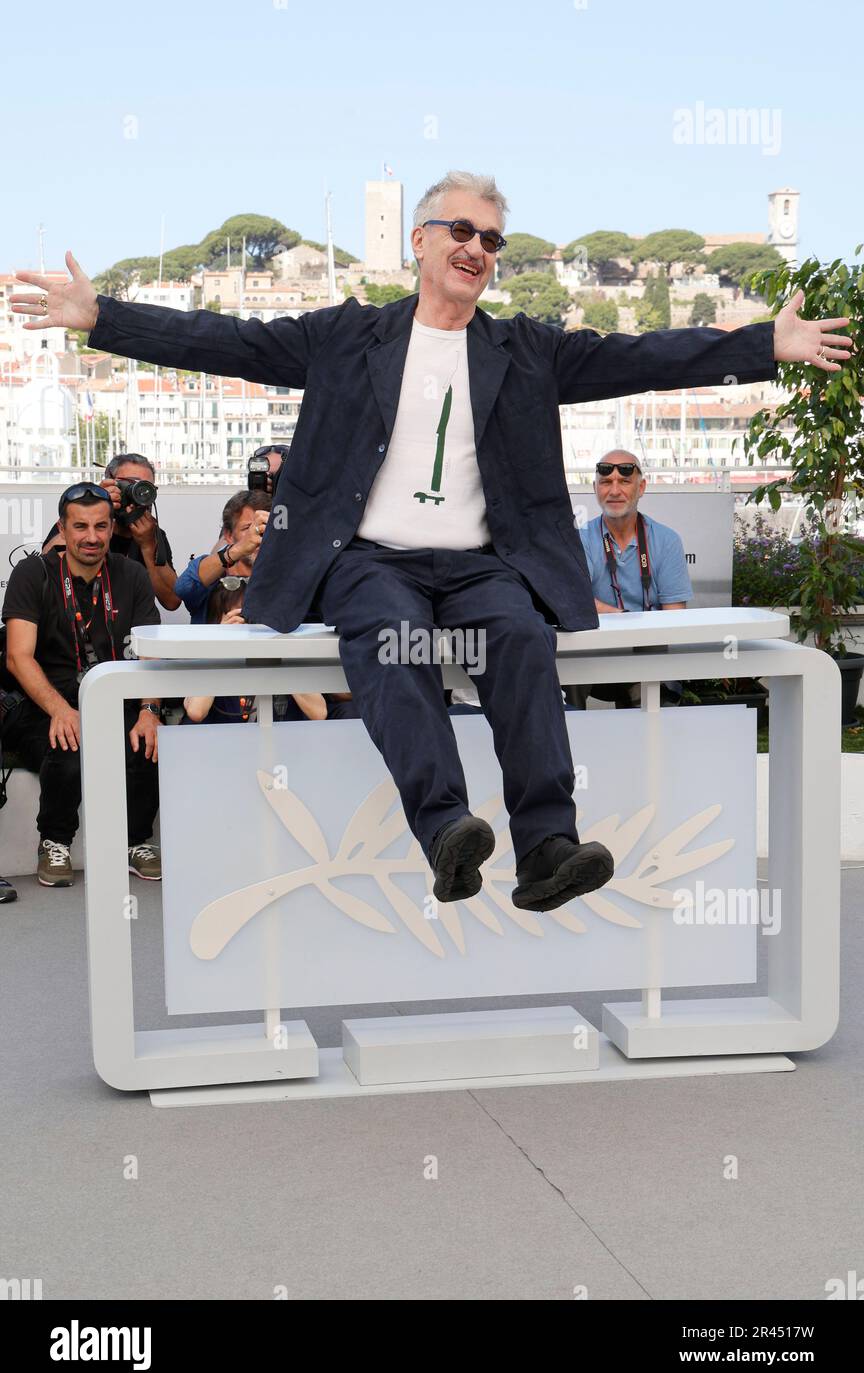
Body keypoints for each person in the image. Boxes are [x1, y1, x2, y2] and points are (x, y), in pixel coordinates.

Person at [14, 171, 852, 911]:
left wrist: (763, 348)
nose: (477, 248)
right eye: (462, 230)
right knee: (384, 638)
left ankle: (548, 847)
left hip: (481, 566)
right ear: (420, 241)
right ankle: (447, 826)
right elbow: (227, 342)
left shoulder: (526, 350)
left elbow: (641, 356)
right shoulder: (346, 337)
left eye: (492, 238)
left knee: (522, 640)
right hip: (370, 560)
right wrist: (102, 317)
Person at [1, 483, 162, 887]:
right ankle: (54, 841)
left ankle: (134, 841)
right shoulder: (32, 573)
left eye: (101, 526)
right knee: (70, 741)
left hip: (111, 698)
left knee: (146, 739)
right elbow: (17, 656)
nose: (91, 537)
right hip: (43, 704)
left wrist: (149, 710)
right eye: (81, 526)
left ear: (111, 529)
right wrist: (59, 709)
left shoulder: (132, 575)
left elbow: (151, 653)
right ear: (63, 528)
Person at [571, 449, 692, 709]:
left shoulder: (666, 540)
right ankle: (568, 745)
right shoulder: (580, 538)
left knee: (660, 684)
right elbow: (572, 600)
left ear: (641, 487)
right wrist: (624, 617)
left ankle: (653, 745)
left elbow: (676, 618)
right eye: (606, 482)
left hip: (647, 650)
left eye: (625, 482)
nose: (614, 491)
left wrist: (620, 622)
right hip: (592, 651)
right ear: (595, 488)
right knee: (567, 667)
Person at [43, 452, 180, 612]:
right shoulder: (78, 523)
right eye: (128, 485)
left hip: (129, 628)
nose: (136, 493)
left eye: (144, 487)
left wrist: (148, 545)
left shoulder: (152, 533)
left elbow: (172, 601)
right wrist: (97, 503)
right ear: (109, 482)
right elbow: (46, 564)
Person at [182, 579, 327, 725]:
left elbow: (319, 713)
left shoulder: (283, 651)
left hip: (280, 743)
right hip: (226, 743)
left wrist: (274, 648)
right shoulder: (210, 656)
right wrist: (221, 644)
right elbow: (196, 712)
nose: (246, 624)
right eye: (238, 617)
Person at [174, 490, 271, 624]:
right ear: (229, 535)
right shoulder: (211, 576)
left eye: (266, 527)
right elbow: (183, 588)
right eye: (247, 528)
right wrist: (239, 549)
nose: (259, 534)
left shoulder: (285, 573)